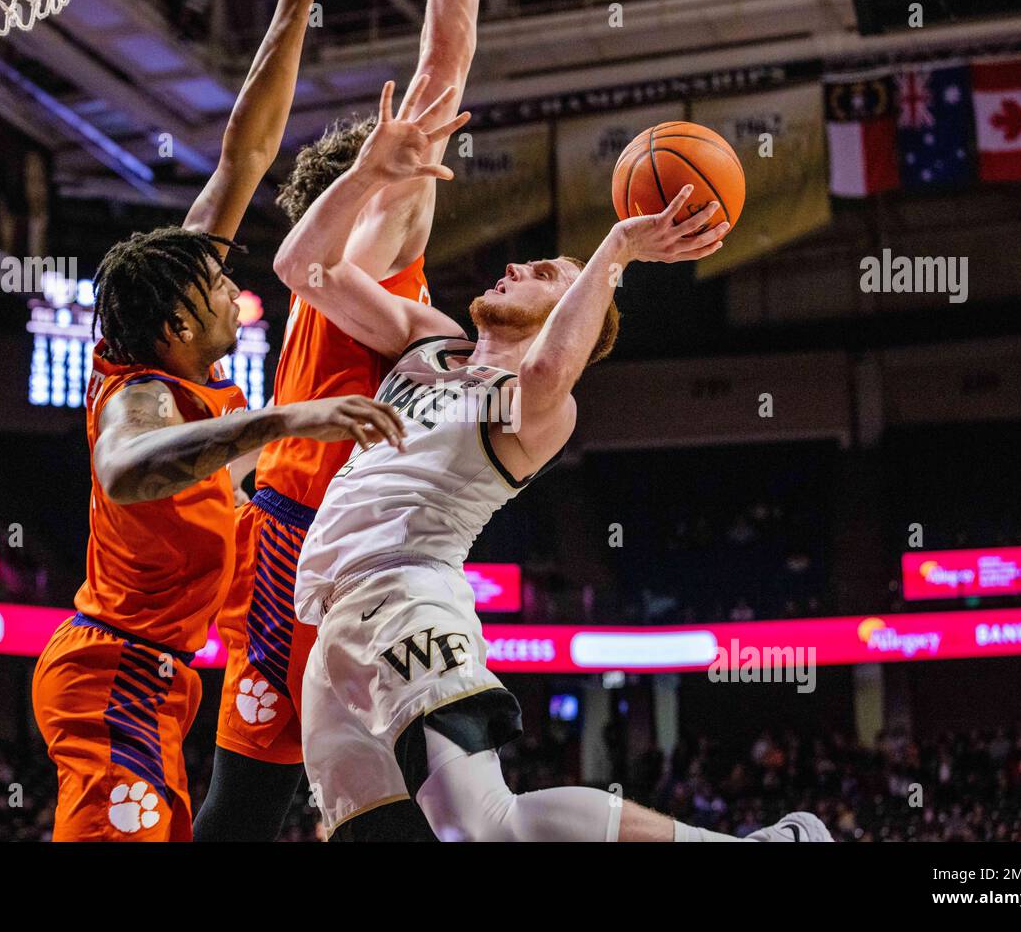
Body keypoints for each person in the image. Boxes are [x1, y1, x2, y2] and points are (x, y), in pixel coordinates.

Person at [274, 80, 832, 842]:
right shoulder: (429, 338)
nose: (517, 267)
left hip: (405, 591)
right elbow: (299, 268)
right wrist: (368, 170)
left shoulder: (537, 407)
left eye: (544, 273)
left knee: (485, 825)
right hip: (335, 618)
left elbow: (546, 373)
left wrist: (618, 248)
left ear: (575, 315)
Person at [30, 0, 406, 842]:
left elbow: (244, 155)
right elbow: (125, 470)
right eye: (218, 290)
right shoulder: (140, 396)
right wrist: (282, 420)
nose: (233, 290)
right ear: (174, 325)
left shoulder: (169, 343)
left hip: (154, 675)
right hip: (110, 672)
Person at [195, 0, 482, 842]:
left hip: (296, 528)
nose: (431, 171)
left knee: (267, 794)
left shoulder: (351, 276)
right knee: (384, 786)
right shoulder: (379, 231)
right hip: (317, 538)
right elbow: (445, 62)